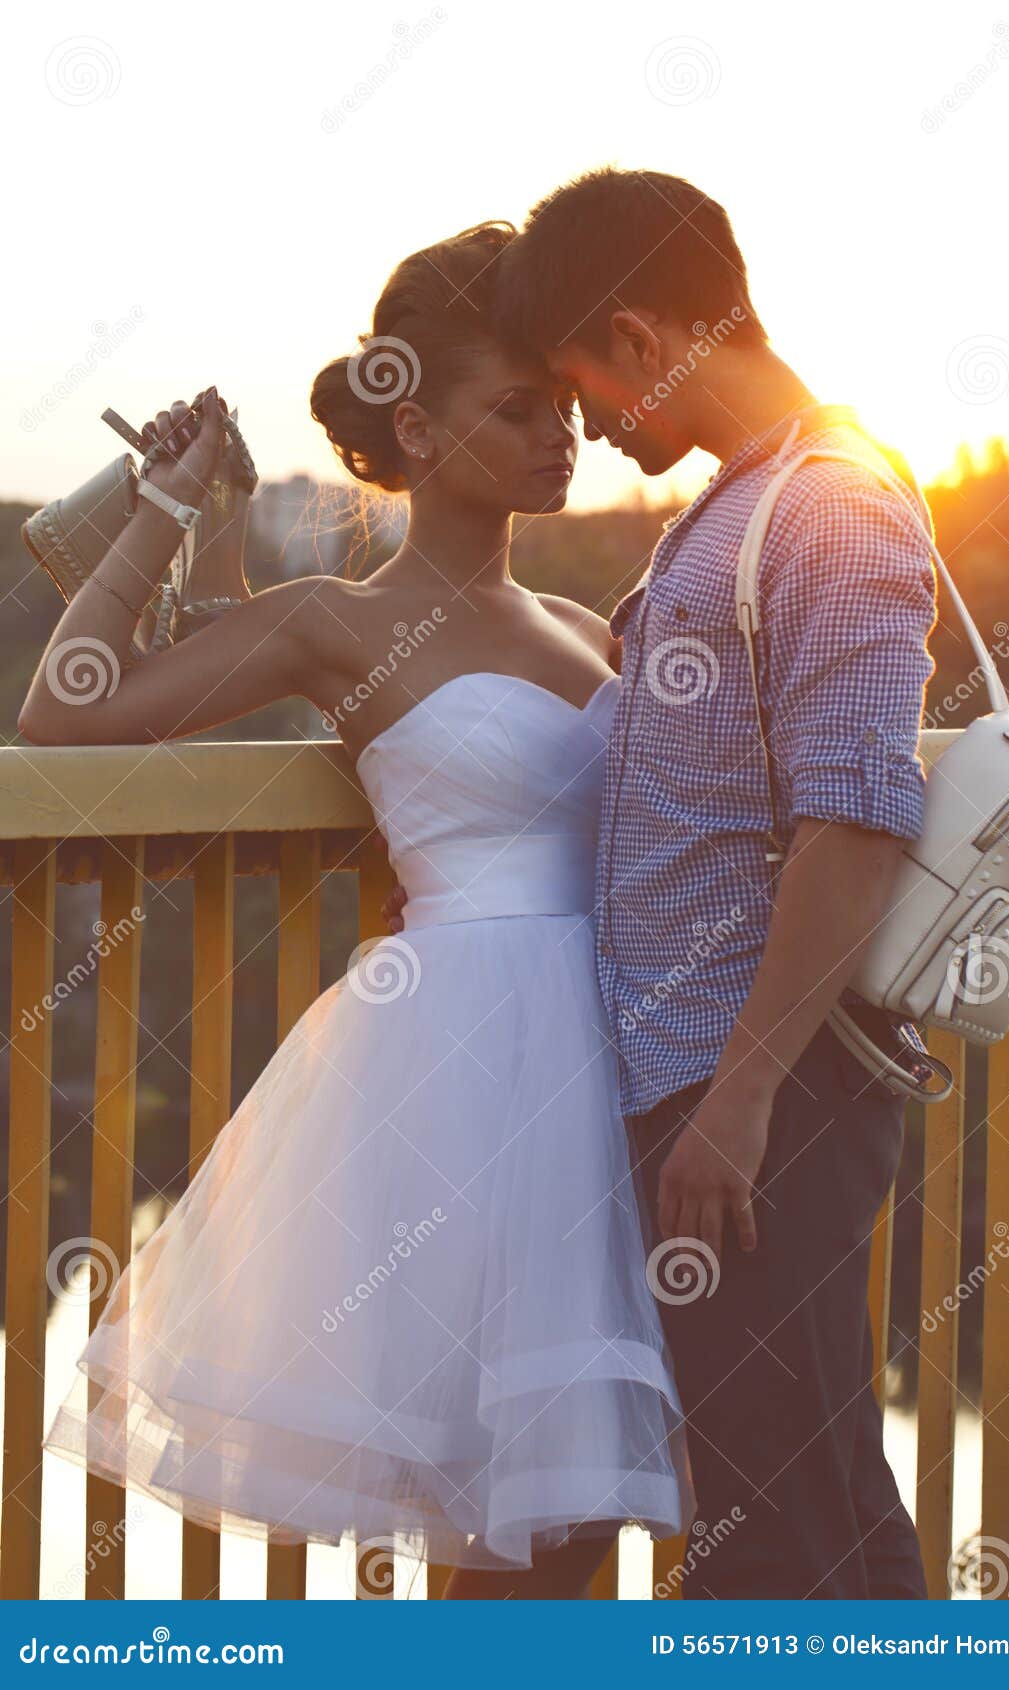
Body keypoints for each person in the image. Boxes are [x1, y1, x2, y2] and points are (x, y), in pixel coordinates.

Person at [24, 221, 693, 1599]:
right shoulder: (334, 619)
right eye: (518, 409)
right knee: (500, 1524)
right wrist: (165, 503)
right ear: (421, 432)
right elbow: (60, 712)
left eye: (565, 406)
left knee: (571, 1540)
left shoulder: (591, 629)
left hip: (621, 1066)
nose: (561, 434)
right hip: (469, 1079)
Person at [391, 169, 936, 1599]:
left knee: (805, 1514)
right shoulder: (738, 508)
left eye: (582, 383)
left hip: (759, 1100)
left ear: (641, 340)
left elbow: (859, 826)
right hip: (704, 1097)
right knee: (769, 1508)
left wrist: (741, 1103)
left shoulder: (831, 507)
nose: (591, 427)